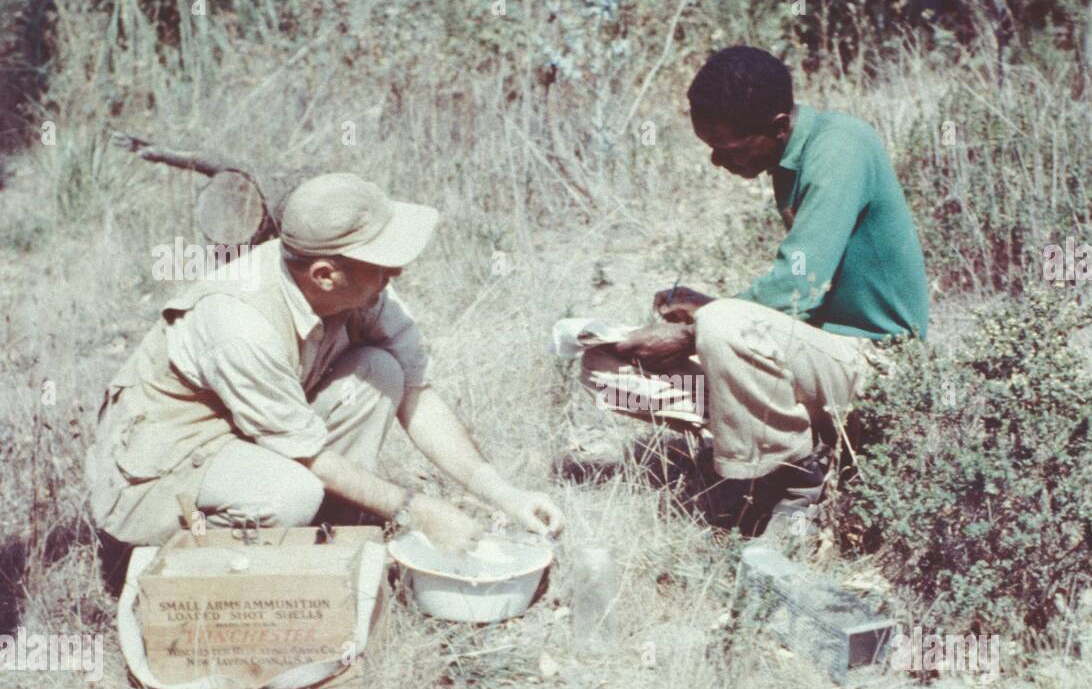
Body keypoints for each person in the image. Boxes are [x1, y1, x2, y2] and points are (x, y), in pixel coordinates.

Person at [87, 172, 562, 580]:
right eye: (383, 264)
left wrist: (504, 495)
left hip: (259, 430)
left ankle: (329, 539)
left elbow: (418, 395)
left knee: (381, 372)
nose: (396, 271)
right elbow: (306, 453)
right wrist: (417, 511)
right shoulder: (240, 321)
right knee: (290, 493)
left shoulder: (360, 287)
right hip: (168, 460)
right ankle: (189, 567)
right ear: (325, 274)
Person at [582, 45, 928, 540]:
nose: (717, 161)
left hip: (877, 365)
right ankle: (774, 446)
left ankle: (793, 479)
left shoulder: (841, 147)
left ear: (779, 126)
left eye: (729, 148)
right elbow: (800, 296)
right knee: (604, 368)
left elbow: (800, 285)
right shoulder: (789, 159)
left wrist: (693, 331)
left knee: (722, 326)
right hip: (819, 362)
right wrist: (705, 311)